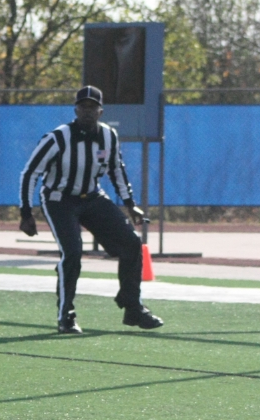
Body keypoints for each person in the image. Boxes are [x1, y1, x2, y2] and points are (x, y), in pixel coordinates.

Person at [19, 85, 164, 334]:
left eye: (92, 108)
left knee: (131, 243)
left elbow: (116, 169)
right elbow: (30, 172)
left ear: (101, 111)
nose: (87, 112)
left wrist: (130, 205)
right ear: (75, 110)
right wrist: (26, 212)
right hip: (59, 198)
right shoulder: (57, 137)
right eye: (83, 107)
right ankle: (66, 315)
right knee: (72, 253)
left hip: (93, 197)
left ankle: (132, 307)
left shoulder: (109, 136)